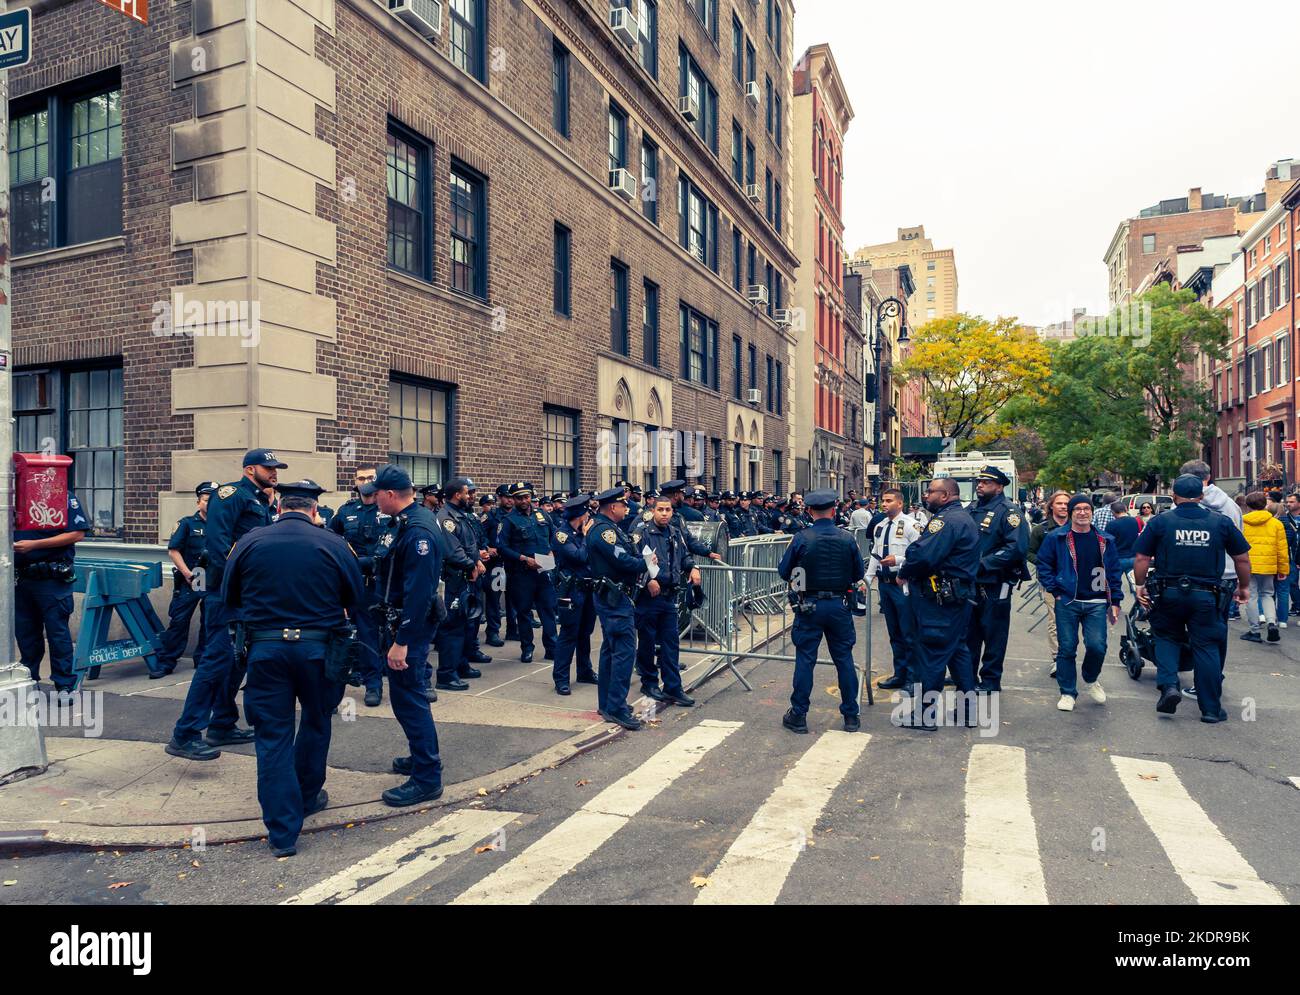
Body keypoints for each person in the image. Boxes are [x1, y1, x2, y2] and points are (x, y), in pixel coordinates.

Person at [221, 480, 364, 857]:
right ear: (314, 511)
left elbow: (229, 596)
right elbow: (356, 598)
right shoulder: (334, 543)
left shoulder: (250, 542)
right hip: (319, 651)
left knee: (273, 736)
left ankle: (282, 834)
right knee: (317, 722)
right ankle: (307, 795)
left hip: (266, 650)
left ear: (278, 508)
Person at [167, 448, 282, 761]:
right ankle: (186, 732)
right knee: (216, 661)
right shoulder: (231, 494)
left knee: (237, 661)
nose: (274, 473)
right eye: (268, 468)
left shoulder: (261, 499)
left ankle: (222, 723)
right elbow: (220, 547)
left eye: (276, 468)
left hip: (249, 595)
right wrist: (247, 584)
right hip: (228, 593)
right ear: (249, 470)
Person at [1135, 474, 1251, 722]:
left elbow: (1142, 558)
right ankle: (1210, 709)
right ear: (1201, 496)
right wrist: (1244, 587)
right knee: (1207, 647)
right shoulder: (1219, 522)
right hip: (1207, 595)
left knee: (1166, 638)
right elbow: (1242, 558)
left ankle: (1168, 686)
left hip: (1169, 592)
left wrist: (1140, 585)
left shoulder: (1160, 522)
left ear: (1174, 495)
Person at [364, 464, 446, 805]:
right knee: (405, 698)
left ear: (390, 494)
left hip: (408, 628)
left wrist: (402, 642)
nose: (371, 500)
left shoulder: (419, 531)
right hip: (400, 622)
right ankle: (420, 757)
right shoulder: (406, 523)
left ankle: (427, 777)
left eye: (375, 494)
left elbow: (418, 593)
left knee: (409, 699)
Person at [777, 489, 865, 734]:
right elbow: (858, 573)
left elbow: (785, 571)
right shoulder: (847, 538)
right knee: (844, 660)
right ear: (834, 510)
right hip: (838, 605)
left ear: (809, 511)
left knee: (805, 660)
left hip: (809, 605)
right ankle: (851, 715)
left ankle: (799, 715)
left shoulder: (802, 538)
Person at [896, 478, 980, 731]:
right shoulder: (961, 517)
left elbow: (922, 554)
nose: (926, 495)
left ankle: (926, 714)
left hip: (941, 600)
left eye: (931, 491)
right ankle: (968, 712)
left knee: (932, 653)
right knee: (957, 652)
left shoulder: (946, 520)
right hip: (956, 597)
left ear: (945, 495)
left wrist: (904, 570)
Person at [1035, 495, 1123, 712]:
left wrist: (1116, 600)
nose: (1082, 512)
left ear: (1092, 512)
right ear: (1071, 512)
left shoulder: (1105, 540)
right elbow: (1043, 564)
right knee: (1067, 648)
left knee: (1097, 646)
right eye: (1078, 509)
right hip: (1067, 600)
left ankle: (1091, 678)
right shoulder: (1057, 538)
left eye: (1086, 509)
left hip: (1096, 601)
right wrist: (1055, 589)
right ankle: (1067, 692)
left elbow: (1113, 571)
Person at [14, 484, 90, 703]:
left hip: (51, 578)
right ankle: (30, 680)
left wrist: (34, 545)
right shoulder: (13, 500)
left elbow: (77, 533)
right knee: (26, 634)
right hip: (22, 578)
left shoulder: (62, 497)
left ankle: (65, 685)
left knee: (58, 634)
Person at [586, 487, 649, 730]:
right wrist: (644, 563)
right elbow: (622, 560)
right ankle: (616, 707)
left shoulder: (605, 528)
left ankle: (607, 703)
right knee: (623, 652)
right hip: (614, 599)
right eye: (624, 505)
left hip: (614, 597)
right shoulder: (604, 532)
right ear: (613, 507)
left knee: (611, 650)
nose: (626, 509)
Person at [629, 495, 700, 708]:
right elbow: (635, 560)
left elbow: (684, 556)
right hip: (649, 596)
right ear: (653, 509)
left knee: (671, 643)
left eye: (668, 510)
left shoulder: (675, 533)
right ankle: (649, 682)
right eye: (661, 510)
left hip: (669, 594)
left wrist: (694, 567)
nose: (665, 514)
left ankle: (673, 687)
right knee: (648, 642)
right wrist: (648, 579)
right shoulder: (641, 533)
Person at [329, 464, 391, 707]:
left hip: (382, 582)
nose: (365, 481)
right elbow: (330, 539)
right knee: (358, 635)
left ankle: (385, 683)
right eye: (361, 478)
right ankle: (367, 683)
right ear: (355, 482)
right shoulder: (345, 512)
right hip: (354, 585)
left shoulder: (387, 509)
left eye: (370, 477)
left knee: (387, 633)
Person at [965, 466, 1029, 693]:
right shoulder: (971, 509)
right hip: (970, 582)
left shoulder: (1009, 512)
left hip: (996, 582)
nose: (980, 485)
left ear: (1000, 486)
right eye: (979, 481)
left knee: (993, 633)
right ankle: (967, 676)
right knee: (969, 633)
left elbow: (1016, 548)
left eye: (986, 482)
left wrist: (982, 564)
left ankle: (991, 680)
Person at [153, 482, 217, 679]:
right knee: (180, 621)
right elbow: (173, 551)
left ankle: (203, 661)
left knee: (209, 622)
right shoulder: (187, 523)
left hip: (213, 579)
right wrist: (188, 574)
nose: (210, 504)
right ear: (198, 502)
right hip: (192, 578)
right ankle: (166, 662)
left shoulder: (222, 525)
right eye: (206, 500)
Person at [1181, 459, 1244, 650]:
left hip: (1190, 573)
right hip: (1226, 573)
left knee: (1185, 624)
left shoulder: (1181, 507)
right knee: (1218, 626)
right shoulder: (1231, 506)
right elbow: (1239, 544)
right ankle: (1214, 671)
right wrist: (1242, 580)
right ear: (1208, 477)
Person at [434, 478, 487, 690]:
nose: (470, 496)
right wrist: (471, 564)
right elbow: (453, 551)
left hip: (466, 578)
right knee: (452, 628)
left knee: (465, 625)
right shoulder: (446, 518)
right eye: (467, 493)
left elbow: (469, 545)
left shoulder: (461, 515)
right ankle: (446, 675)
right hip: (454, 579)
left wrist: (477, 561)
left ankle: (461, 664)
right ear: (457, 495)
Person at [495, 483, 557, 663]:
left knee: (548, 610)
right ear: (513, 499)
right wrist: (524, 558)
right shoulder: (508, 520)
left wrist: (552, 551)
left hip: (544, 570)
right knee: (524, 612)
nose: (524, 501)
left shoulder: (542, 514)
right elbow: (502, 547)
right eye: (519, 498)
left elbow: (554, 536)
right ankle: (527, 648)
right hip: (521, 574)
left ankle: (552, 648)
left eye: (527, 497)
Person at [866, 488, 920, 691]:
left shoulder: (911, 525)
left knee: (909, 632)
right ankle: (900, 674)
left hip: (902, 584)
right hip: (885, 584)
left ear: (900, 503)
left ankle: (913, 678)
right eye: (883, 500)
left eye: (889, 500)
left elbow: (921, 554)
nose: (884, 504)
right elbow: (875, 553)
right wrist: (868, 578)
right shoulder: (880, 525)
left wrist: (899, 560)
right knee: (895, 633)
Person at [551, 494, 599, 695]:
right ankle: (561, 678)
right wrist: (587, 537)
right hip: (570, 591)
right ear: (580, 516)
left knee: (585, 633)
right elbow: (579, 557)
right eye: (587, 513)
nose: (589, 517)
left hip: (588, 589)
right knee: (569, 633)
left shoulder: (581, 533)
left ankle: (584, 670)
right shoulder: (562, 535)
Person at [1029, 490, 1071, 675]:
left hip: (1078, 584)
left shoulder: (1079, 527)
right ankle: (1057, 659)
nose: (1063, 506)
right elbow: (1028, 552)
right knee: (1055, 621)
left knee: (1074, 623)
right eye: (1059, 503)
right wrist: (1045, 563)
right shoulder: (1041, 529)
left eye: (1066, 504)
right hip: (1051, 583)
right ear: (1051, 506)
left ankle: (1069, 656)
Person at [1239, 491, 1289, 644]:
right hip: (1268, 565)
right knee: (1267, 594)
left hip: (1248, 565)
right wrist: (1283, 569)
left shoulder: (1242, 522)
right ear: (1265, 504)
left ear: (1248, 505)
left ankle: (1254, 630)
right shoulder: (1276, 523)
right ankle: (1271, 623)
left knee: (1251, 596)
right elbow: (1282, 549)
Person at [1106, 500, 1142, 599]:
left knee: (1113, 584)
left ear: (1113, 512)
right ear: (1126, 509)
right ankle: (1139, 606)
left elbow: (1108, 543)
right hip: (1133, 557)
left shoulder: (1111, 525)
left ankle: (1113, 606)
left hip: (1118, 558)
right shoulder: (1135, 521)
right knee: (1135, 586)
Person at [1283, 493, 1300, 618]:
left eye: (1292, 502)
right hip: (1292, 555)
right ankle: (1297, 605)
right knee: (1292, 582)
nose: (1288, 504)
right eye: (1287, 502)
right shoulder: (1285, 519)